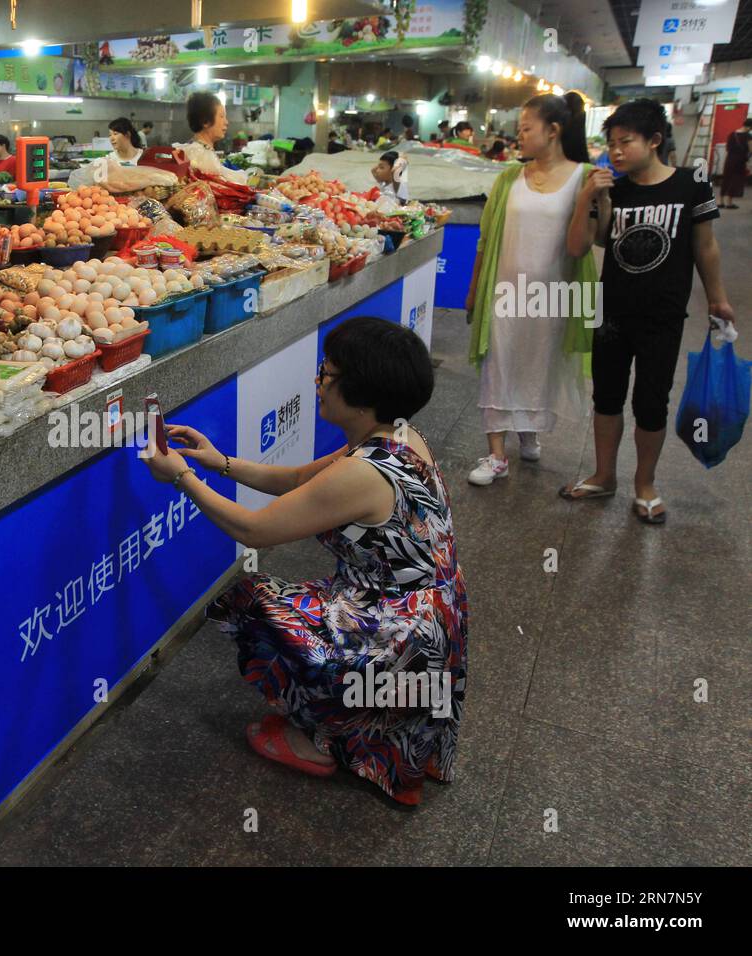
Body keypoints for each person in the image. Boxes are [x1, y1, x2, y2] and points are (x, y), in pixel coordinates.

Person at [140, 316, 467, 807]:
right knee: (291, 601)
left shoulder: (363, 472)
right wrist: (217, 462)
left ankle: (324, 735)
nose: (318, 382)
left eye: (327, 374)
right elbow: (296, 481)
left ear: (360, 395)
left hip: (401, 634)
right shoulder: (397, 436)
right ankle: (367, 717)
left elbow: (253, 529)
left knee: (255, 602)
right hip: (431, 617)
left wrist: (182, 477)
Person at [562, 98, 735, 524]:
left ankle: (646, 485)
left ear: (654, 140)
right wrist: (590, 196)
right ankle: (605, 475)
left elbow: (705, 246)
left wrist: (718, 297)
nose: (616, 151)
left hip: (663, 314)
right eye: (612, 144)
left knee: (652, 401)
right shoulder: (614, 190)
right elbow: (586, 244)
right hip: (612, 312)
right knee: (606, 398)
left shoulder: (689, 184)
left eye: (626, 142)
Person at [464, 92, 597, 486]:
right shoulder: (508, 179)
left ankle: (529, 431)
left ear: (553, 131)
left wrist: (590, 198)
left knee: (537, 367)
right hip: (503, 292)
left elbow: (584, 245)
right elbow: (485, 241)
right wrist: (473, 290)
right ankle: (496, 455)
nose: (518, 136)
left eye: (526, 128)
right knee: (498, 364)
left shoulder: (584, 176)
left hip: (553, 297)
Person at [177, 90, 248, 184]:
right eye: (222, 116)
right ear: (205, 121)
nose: (226, 122)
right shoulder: (200, 155)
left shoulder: (198, 150)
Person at [718, 116, 751, 209]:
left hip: (729, 159)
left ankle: (721, 201)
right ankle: (729, 203)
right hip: (740, 160)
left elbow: (727, 148)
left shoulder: (732, 134)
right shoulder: (748, 136)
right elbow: (751, 150)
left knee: (726, 179)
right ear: (749, 127)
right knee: (735, 180)